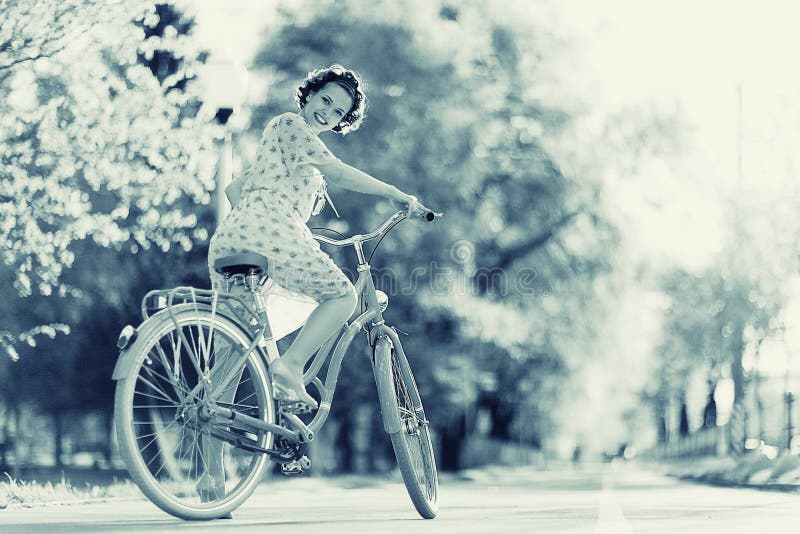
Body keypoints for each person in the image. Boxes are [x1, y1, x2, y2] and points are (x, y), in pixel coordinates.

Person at [207, 64, 428, 408]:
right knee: (343, 297)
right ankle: (291, 367)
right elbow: (337, 171)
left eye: (338, 111)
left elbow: (236, 189)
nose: (327, 113)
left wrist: (261, 222)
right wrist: (394, 193)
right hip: (267, 230)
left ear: (342, 121)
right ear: (309, 94)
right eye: (324, 101)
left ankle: (210, 448)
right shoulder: (290, 124)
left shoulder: (284, 146)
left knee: (233, 356)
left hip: (236, 236)